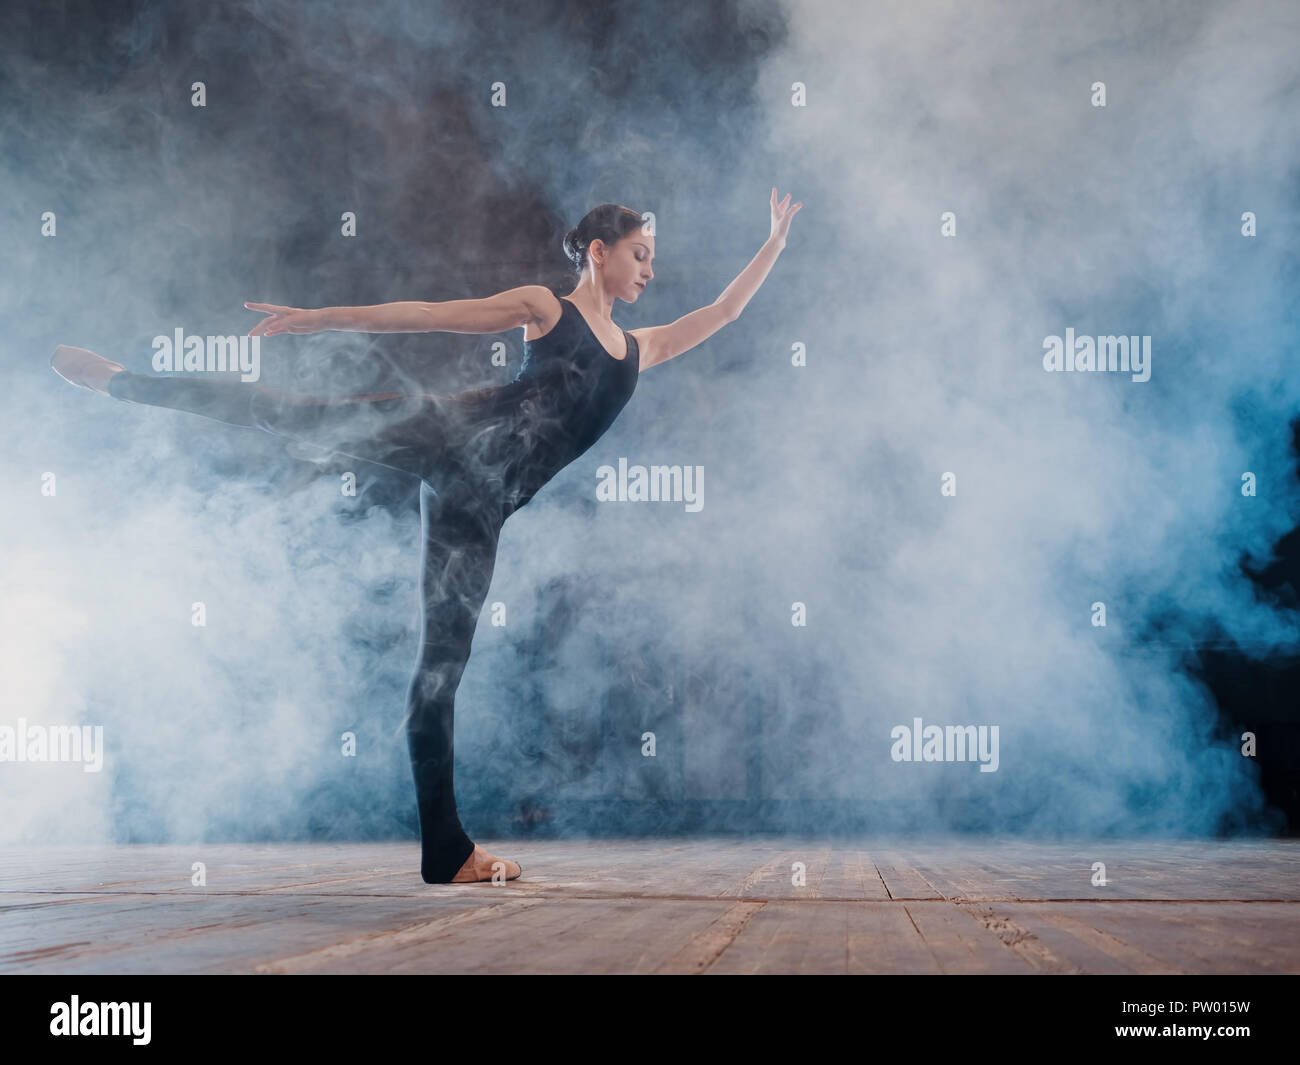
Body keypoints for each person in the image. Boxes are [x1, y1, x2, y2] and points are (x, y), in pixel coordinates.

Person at [50, 189, 803, 883]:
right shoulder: (546, 307)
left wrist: (771, 241)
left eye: (654, 260)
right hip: (449, 433)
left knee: (441, 672)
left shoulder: (642, 349)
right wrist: (321, 318)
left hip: (480, 505)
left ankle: (446, 850)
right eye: (641, 253)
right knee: (296, 411)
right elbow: (431, 312)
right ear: (599, 251)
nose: (650, 270)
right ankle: (122, 381)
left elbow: (728, 311)